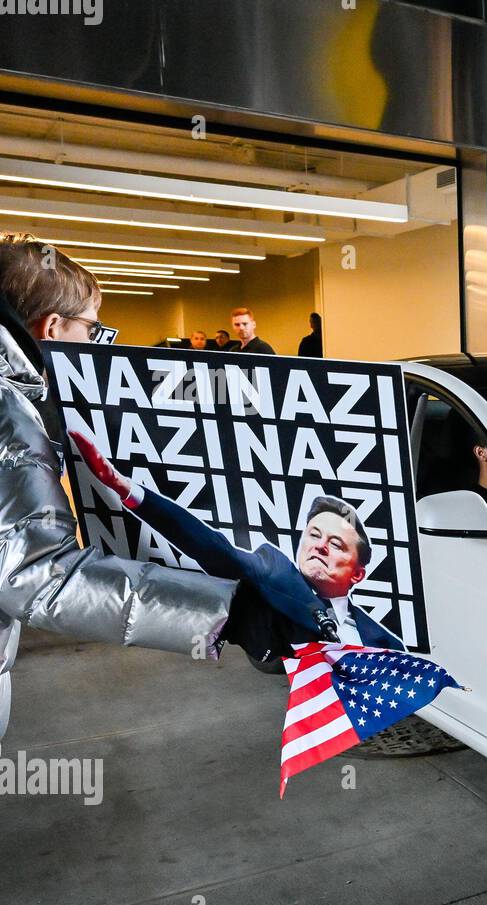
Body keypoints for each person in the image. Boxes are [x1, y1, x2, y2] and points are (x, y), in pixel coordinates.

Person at [0, 232, 289, 738]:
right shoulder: (8, 409)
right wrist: (229, 610)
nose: (94, 344)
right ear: (52, 327)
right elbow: (36, 575)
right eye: (91, 329)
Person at [70, 433, 403, 651]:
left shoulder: (385, 639)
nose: (319, 546)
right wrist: (126, 489)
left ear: (358, 573)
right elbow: (212, 547)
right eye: (314, 535)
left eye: (336, 544)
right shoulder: (276, 572)